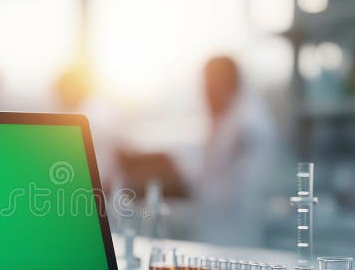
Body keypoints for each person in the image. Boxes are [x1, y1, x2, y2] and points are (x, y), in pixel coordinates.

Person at [117, 55, 280, 245]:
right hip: (214, 232)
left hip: (234, 238)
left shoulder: (248, 125)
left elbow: (234, 192)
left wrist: (177, 180)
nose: (204, 93)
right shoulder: (226, 119)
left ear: (223, 84)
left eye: (208, 85)